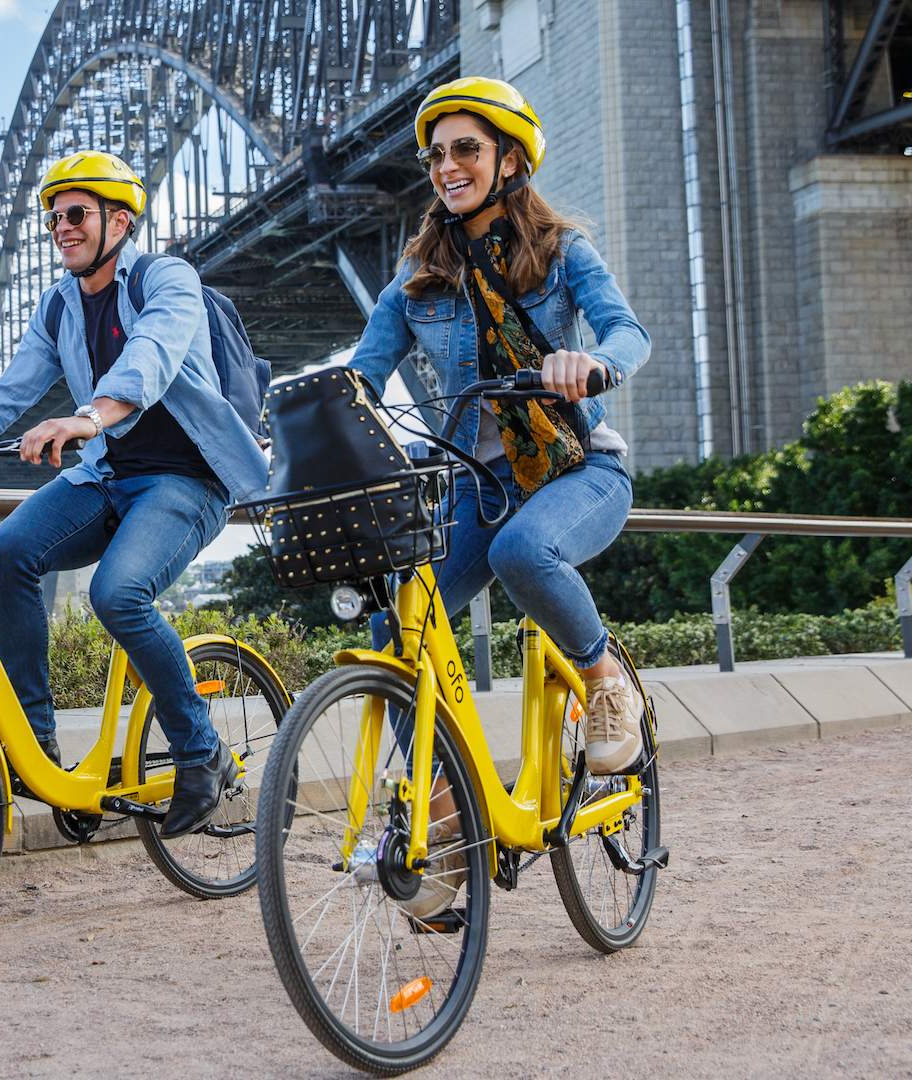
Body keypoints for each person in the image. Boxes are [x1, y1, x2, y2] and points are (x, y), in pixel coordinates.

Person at [0, 150, 268, 837]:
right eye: (54, 217)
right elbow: (12, 388)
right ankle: (34, 746)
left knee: (117, 594)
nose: (61, 227)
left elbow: (150, 353)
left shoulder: (167, 279)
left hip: (186, 481)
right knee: (8, 552)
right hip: (109, 474)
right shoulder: (61, 302)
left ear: (118, 221)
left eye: (76, 214)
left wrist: (89, 416)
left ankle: (200, 749)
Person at [345, 76, 651, 915]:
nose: (447, 166)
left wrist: (588, 363)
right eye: (436, 154)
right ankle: (443, 824)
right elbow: (360, 379)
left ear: (509, 159)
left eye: (466, 149)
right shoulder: (416, 281)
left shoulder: (561, 254)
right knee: (396, 626)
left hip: (579, 472)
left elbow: (630, 331)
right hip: (476, 491)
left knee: (526, 551)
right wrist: (306, 427)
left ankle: (605, 681)